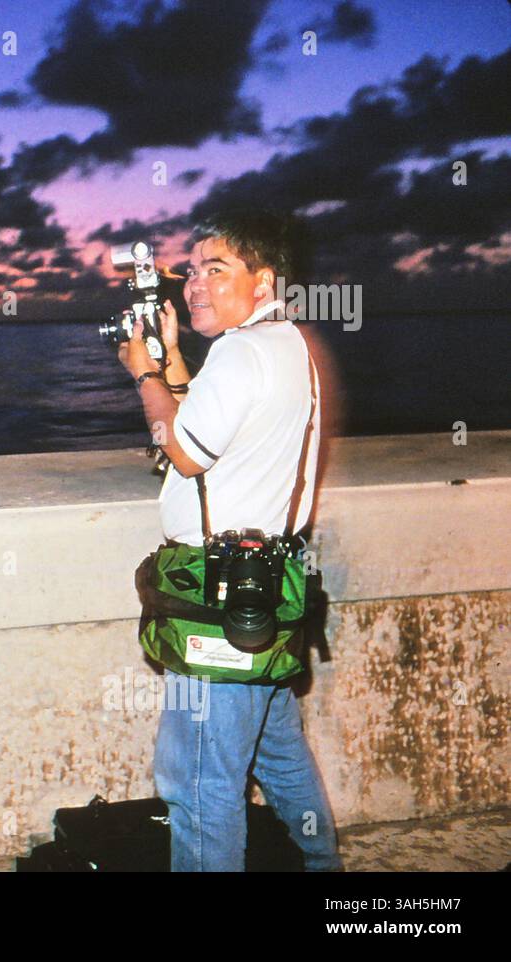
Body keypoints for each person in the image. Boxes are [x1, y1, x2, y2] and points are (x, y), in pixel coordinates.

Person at [118, 208, 343, 871]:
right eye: (190, 271)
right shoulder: (285, 344)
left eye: (217, 269)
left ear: (264, 279)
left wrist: (144, 373)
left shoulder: (243, 351)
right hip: (270, 595)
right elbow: (212, 430)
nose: (194, 285)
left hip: (223, 602)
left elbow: (184, 451)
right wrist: (179, 360)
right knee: (279, 756)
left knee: (197, 782)